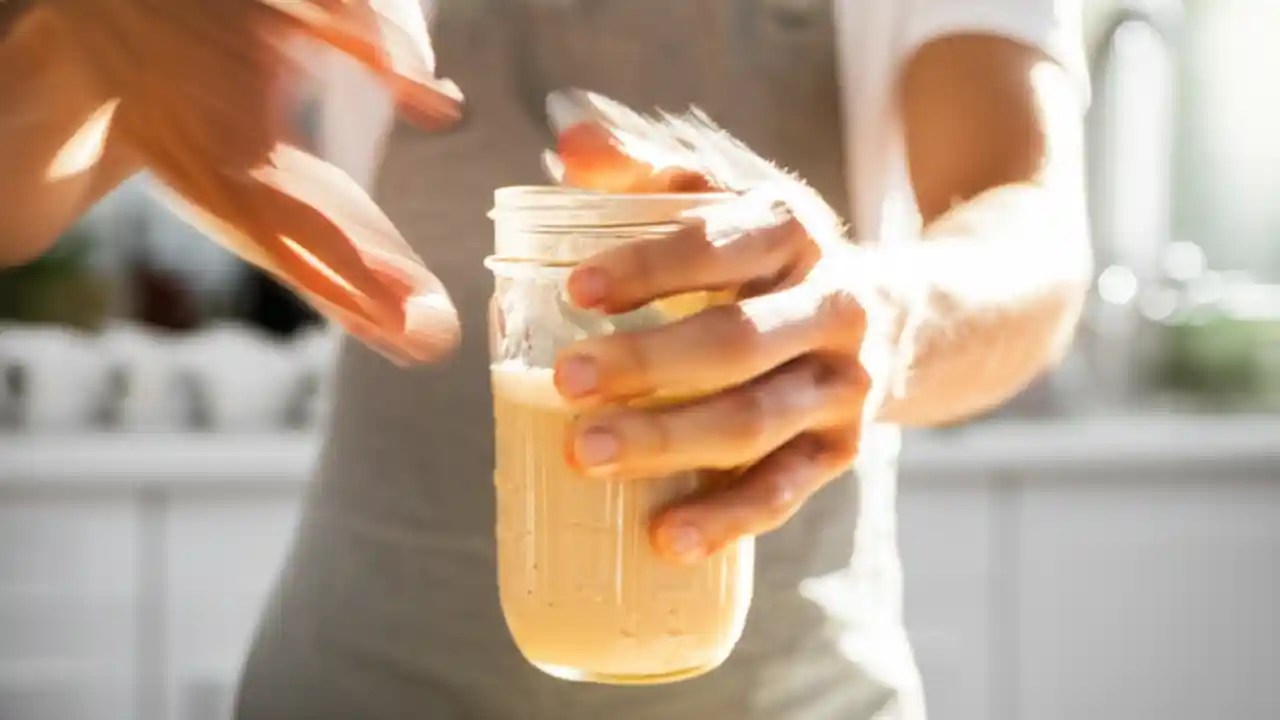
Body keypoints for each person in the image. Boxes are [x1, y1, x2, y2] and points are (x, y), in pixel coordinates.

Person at [1, 1, 1092, 718]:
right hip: (362, 678)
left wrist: (881, 316)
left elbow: (1030, 228)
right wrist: (75, 41)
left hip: (784, 690)